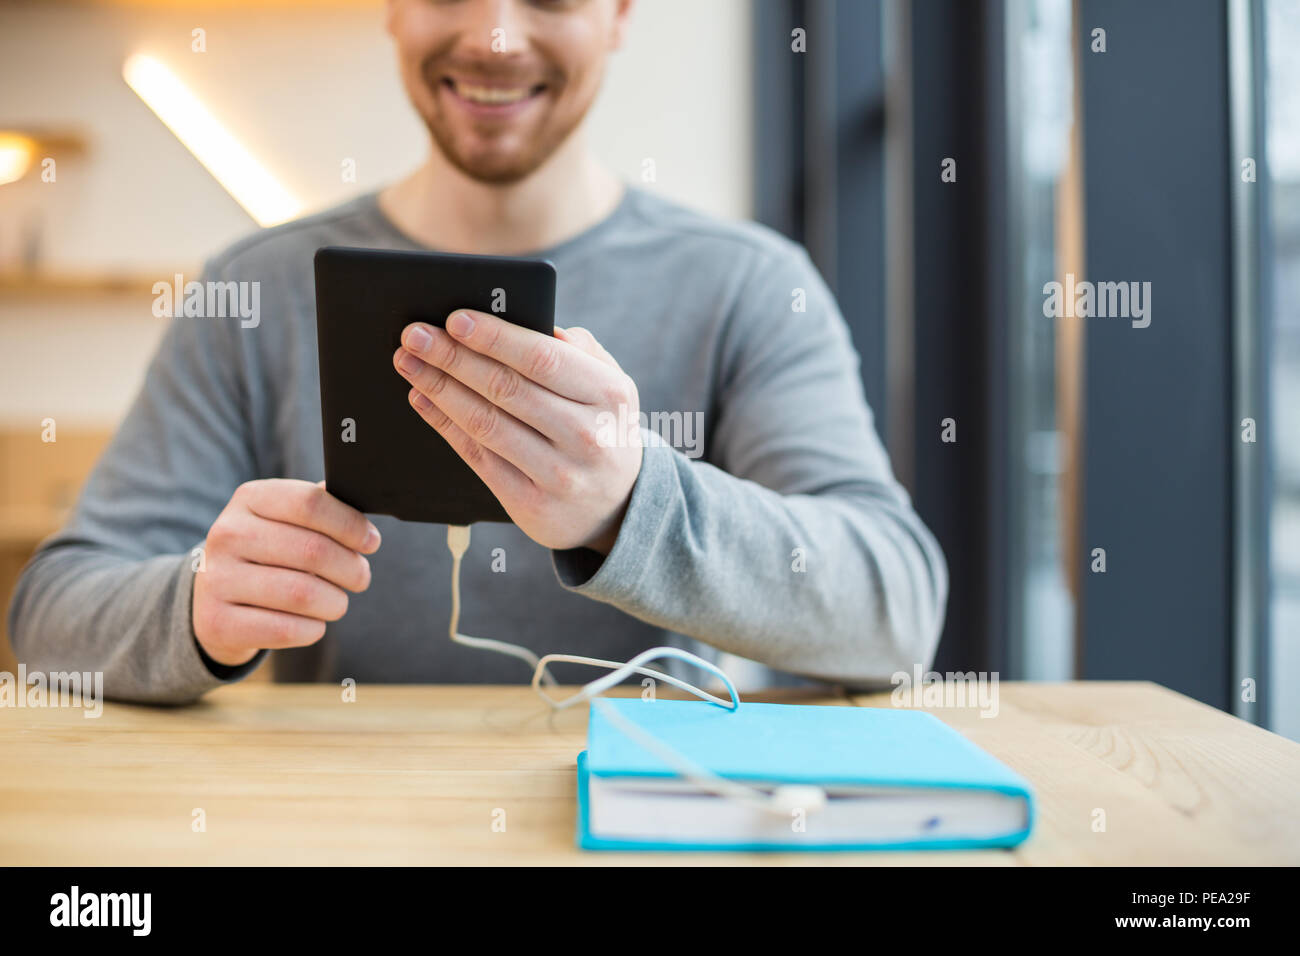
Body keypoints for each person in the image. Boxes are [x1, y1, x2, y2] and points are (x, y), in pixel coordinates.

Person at [8, 0, 947, 703]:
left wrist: (634, 506)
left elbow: (893, 609)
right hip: (346, 831)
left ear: (619, 13)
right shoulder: (251, 289)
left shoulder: (747, 285)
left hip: (639, 832)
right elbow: (49, 619)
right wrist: (194, 608)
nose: (496, 37)